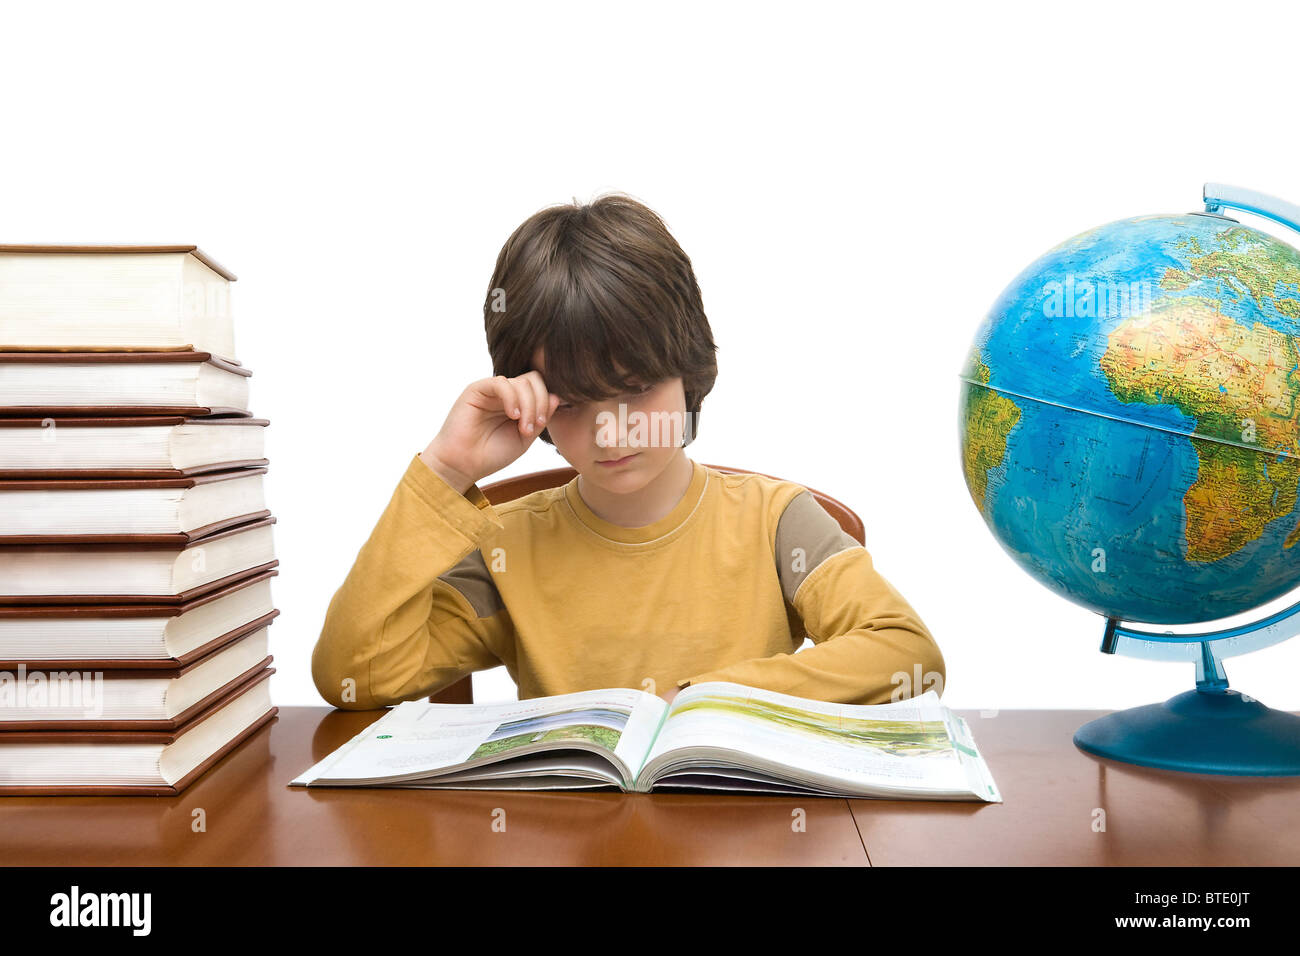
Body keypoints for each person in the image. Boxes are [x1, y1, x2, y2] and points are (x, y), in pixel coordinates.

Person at [311, 193, 944, 710]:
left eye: (636, 390)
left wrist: (707, 700)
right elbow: (356, 675)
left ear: (689, 374)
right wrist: (446, 471)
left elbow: (907, 653)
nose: (612, 434)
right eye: (574, 402)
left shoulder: (776, 521)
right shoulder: (509, 546)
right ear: (528, 406)